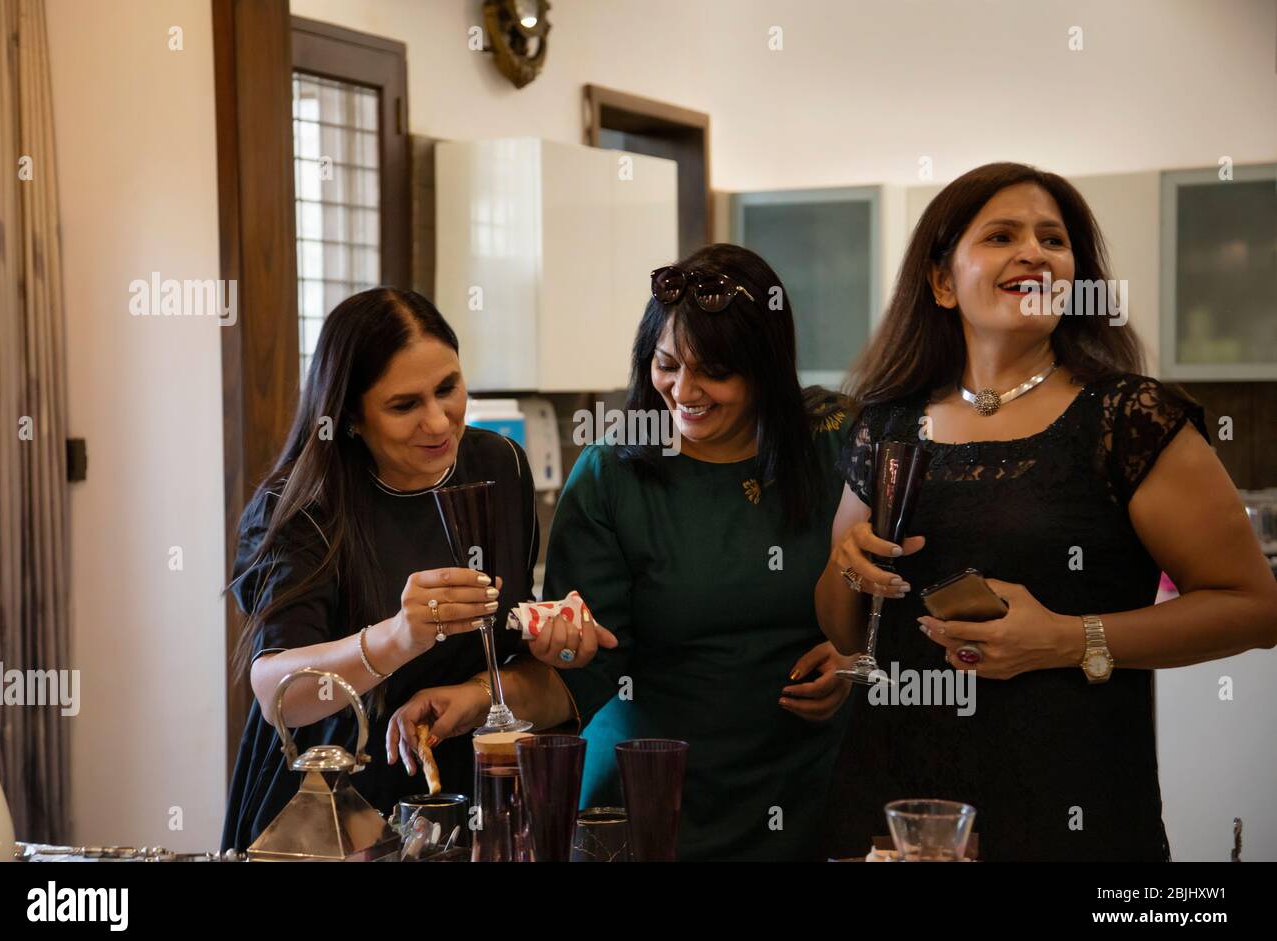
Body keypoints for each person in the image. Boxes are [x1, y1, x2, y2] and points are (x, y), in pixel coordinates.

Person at [816, 162, 1277, 861]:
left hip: (1073, 803)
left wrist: (1067, 637)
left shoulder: (1128, 418)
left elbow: (1253, 607)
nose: (1033, 252)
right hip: (896, 805)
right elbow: (848, 635)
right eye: (1001, 235)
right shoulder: (885, 427)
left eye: (1053, 240)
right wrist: (845, 568)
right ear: (942, 281)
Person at [391, 244, 853, 860]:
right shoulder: (613, 475)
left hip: (812, 786)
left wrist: (858, 658)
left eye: (713, 370)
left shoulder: (834, 445)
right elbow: (584, 667)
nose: (684, 391)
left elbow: (893, 589)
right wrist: (482, 694)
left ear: (765, 366)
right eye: (666, 365)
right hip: (649, 794)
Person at [221, 287, 552, 851]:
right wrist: (399, 637)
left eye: (448, 388)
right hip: (329, 806)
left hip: (464, 796)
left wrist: (551, 642)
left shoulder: (499, 464)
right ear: (350, 415)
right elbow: (278, 690)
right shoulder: (303, 506)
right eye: (404, 406)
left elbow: (512, 652)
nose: (438, 421)